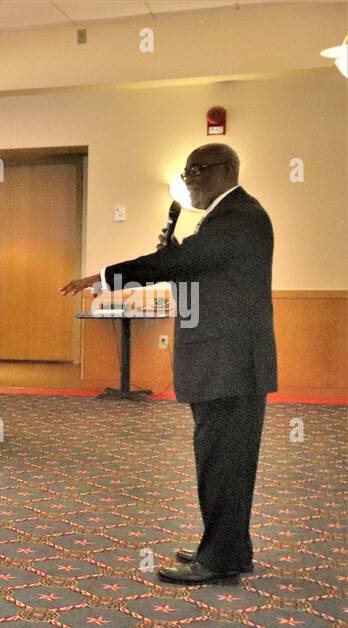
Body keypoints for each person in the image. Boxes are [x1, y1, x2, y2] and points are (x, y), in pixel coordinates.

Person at [61, 143, 276, 585]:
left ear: (224, 171)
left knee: (223, 465)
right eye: (186, 171)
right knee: (224, 463)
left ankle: (218, 560)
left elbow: (179, 263)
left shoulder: (239, 216)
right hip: (225, 363)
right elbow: (197, 269)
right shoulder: (226, 220)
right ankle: (228, 549)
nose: (189, 180)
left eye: (195, 171)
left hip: (230, 366)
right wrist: (178, 253)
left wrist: (105, 276)